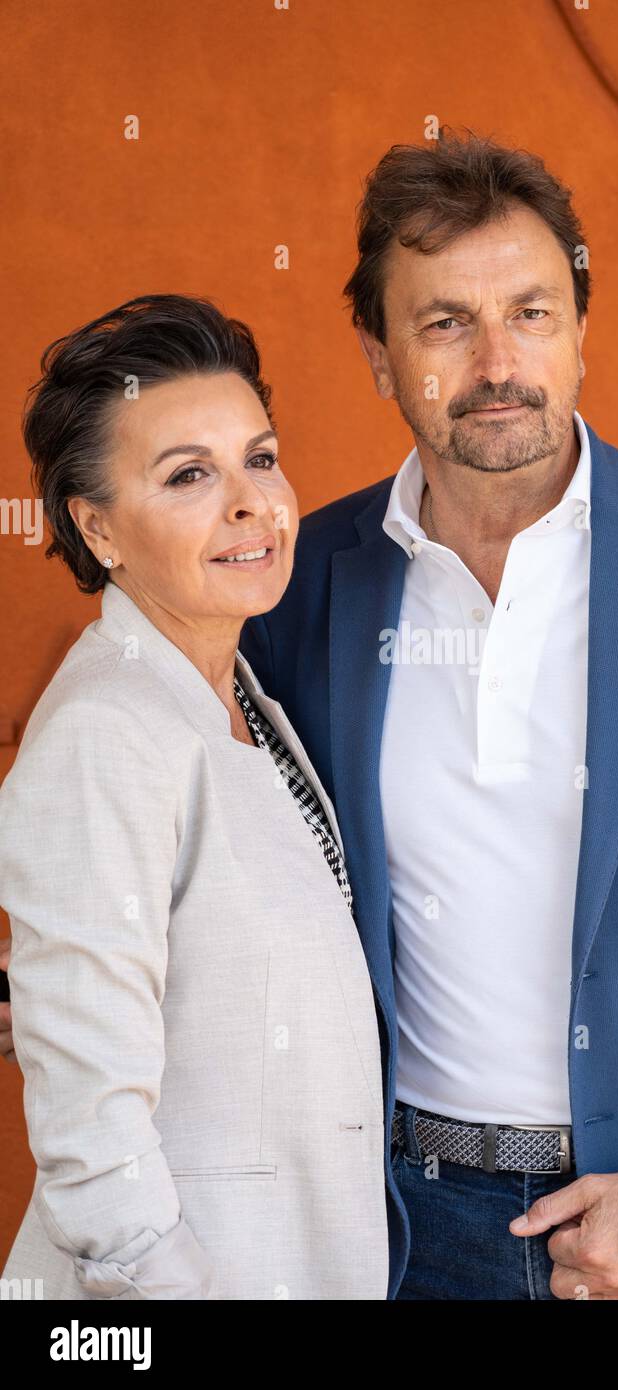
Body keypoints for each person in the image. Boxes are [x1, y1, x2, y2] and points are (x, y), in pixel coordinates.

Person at [236, 129, 618, 1300]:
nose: (496, 363)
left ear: (579, 329)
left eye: (530, 312)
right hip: (394, 1240)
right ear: (376, 354)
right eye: (443, 324)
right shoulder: (297, 585)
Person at [0, 294, 388, 1299]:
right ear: (98, 527)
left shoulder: (243, 695)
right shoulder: (104, 731)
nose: (253, 502)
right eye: (188, 476)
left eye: (260, 457)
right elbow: (94, 1144)